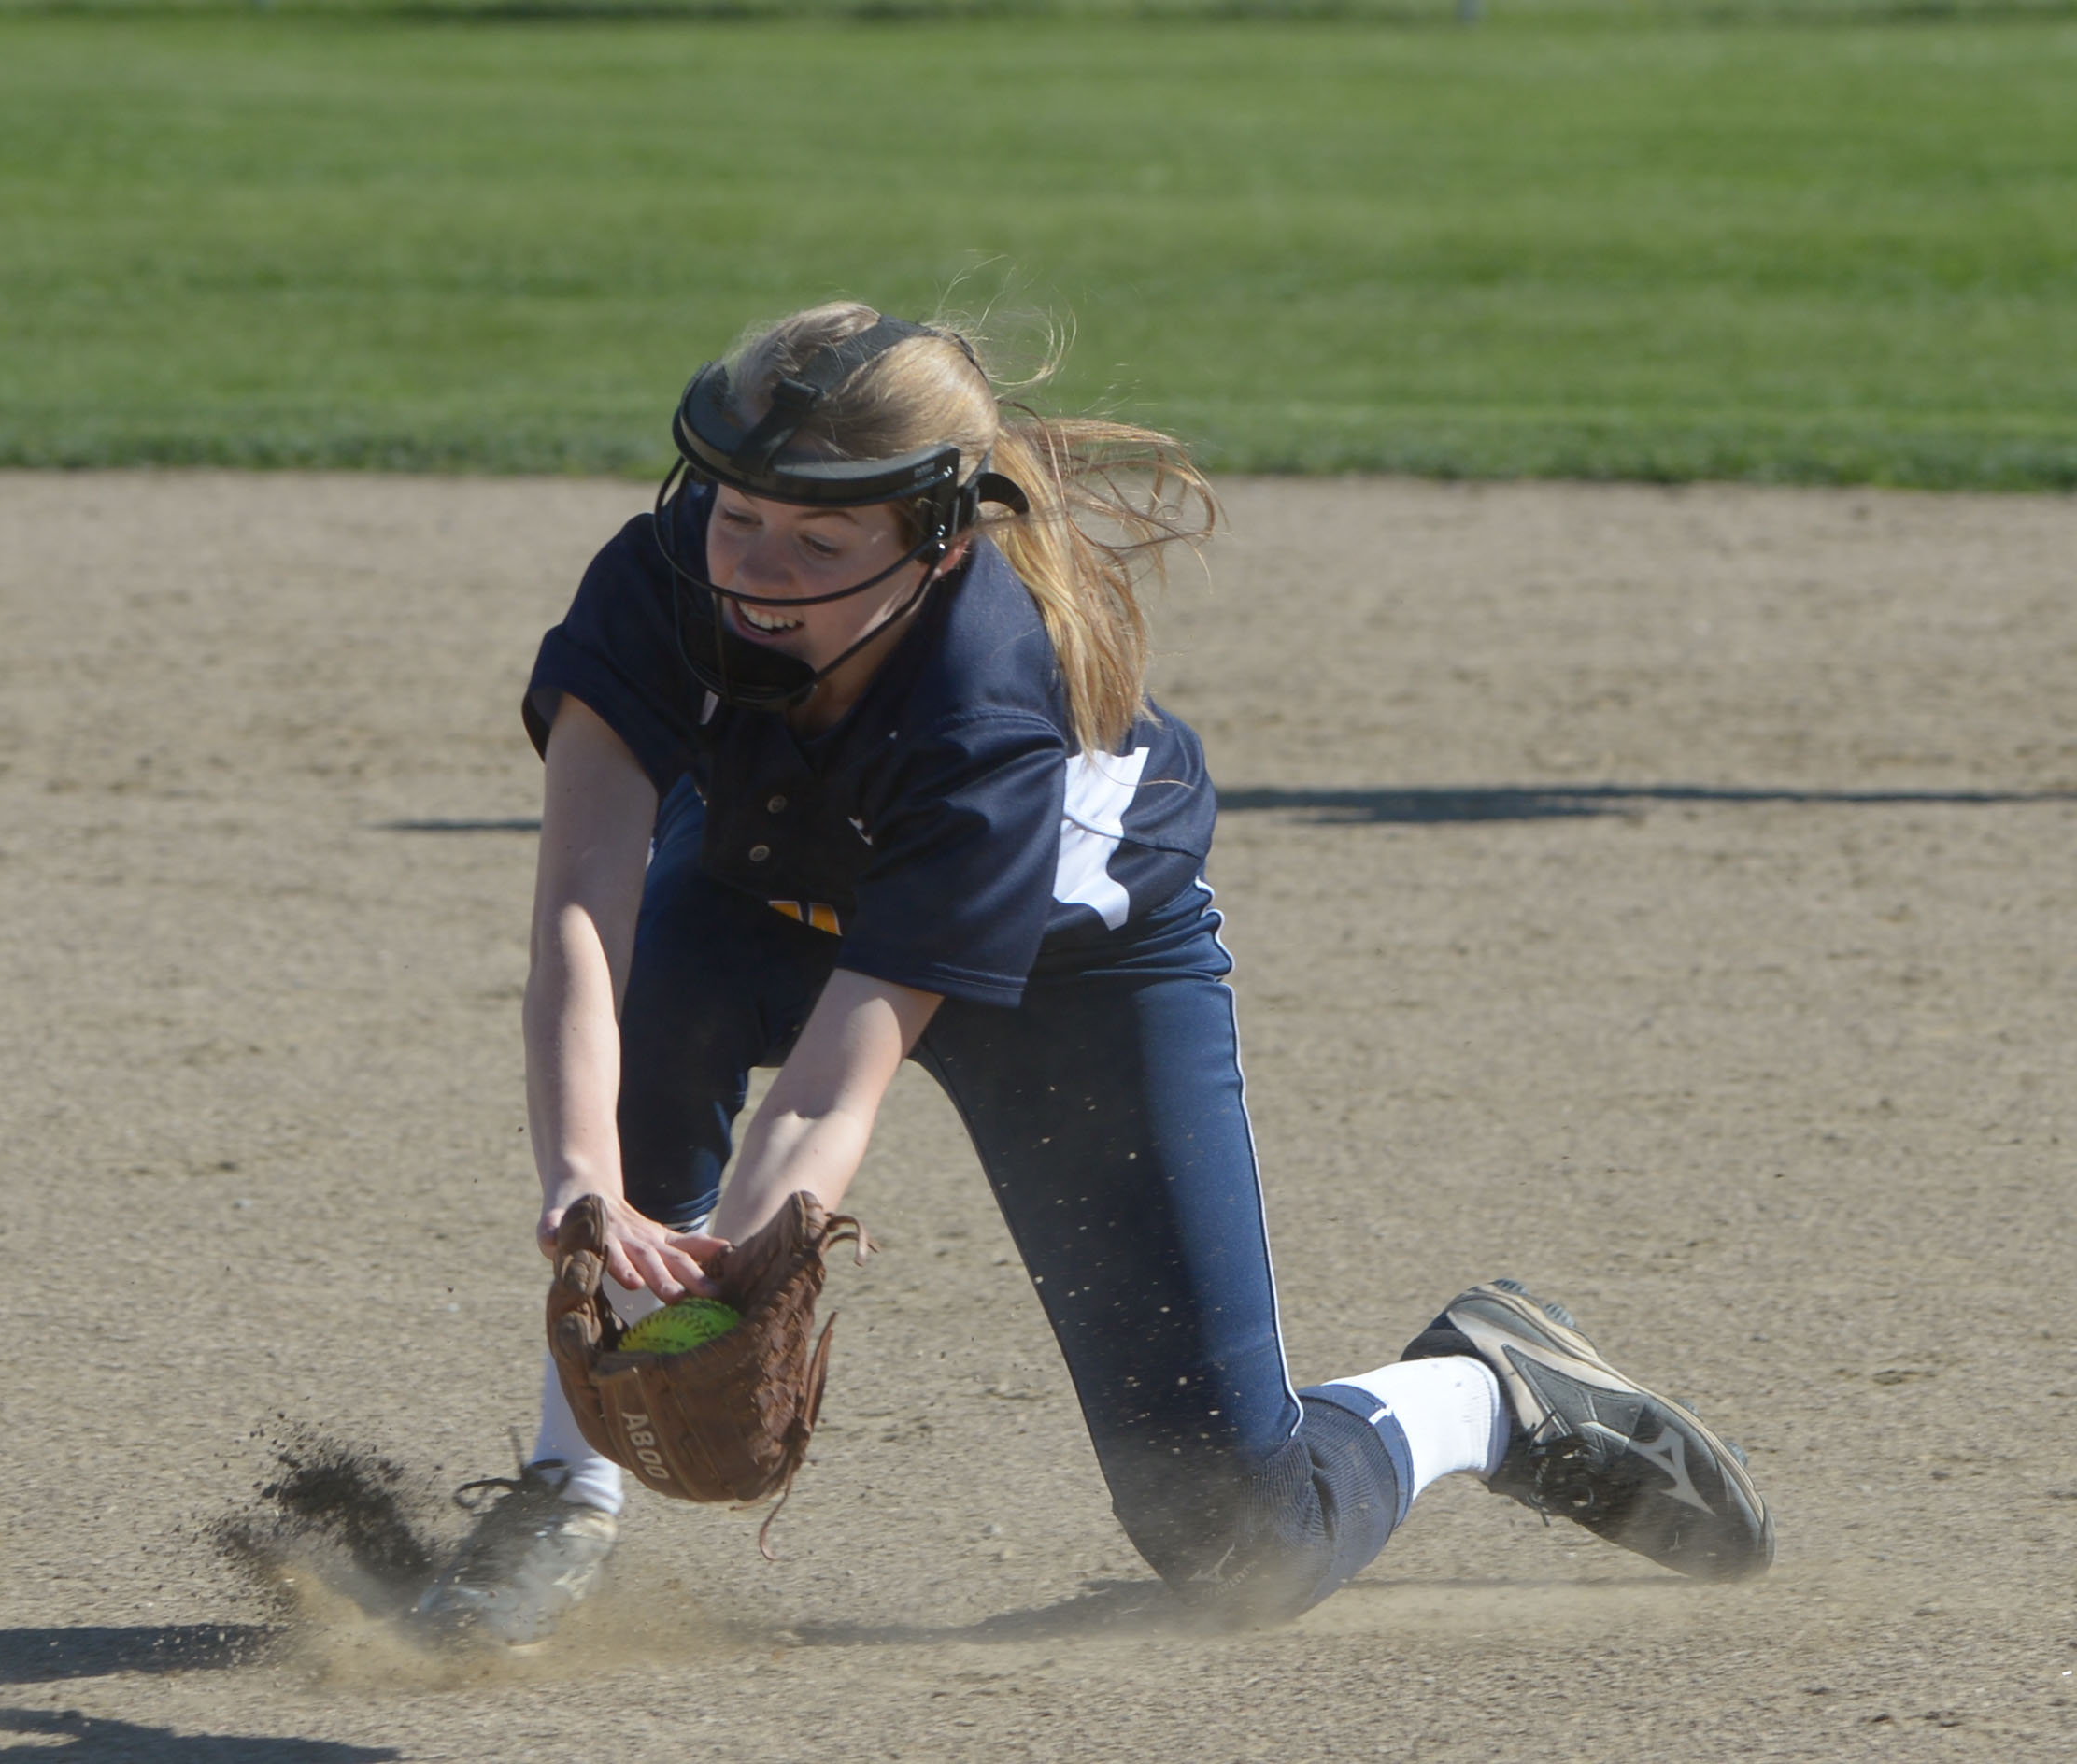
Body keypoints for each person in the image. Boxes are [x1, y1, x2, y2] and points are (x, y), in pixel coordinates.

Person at [409, 305, 1772, 1646]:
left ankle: (1485, 1390)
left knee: (1237, 1538)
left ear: (936, 546)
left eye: (821, 540)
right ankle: (562, 1493)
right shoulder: (663, 573)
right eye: (736, 513)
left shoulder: (989, 710)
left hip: (1083, 971)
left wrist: (740, 1279)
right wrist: (585, 1183)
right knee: (667, 969)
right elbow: (581, 918)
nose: (757, 568)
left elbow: (835, 1083)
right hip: (767, 892)